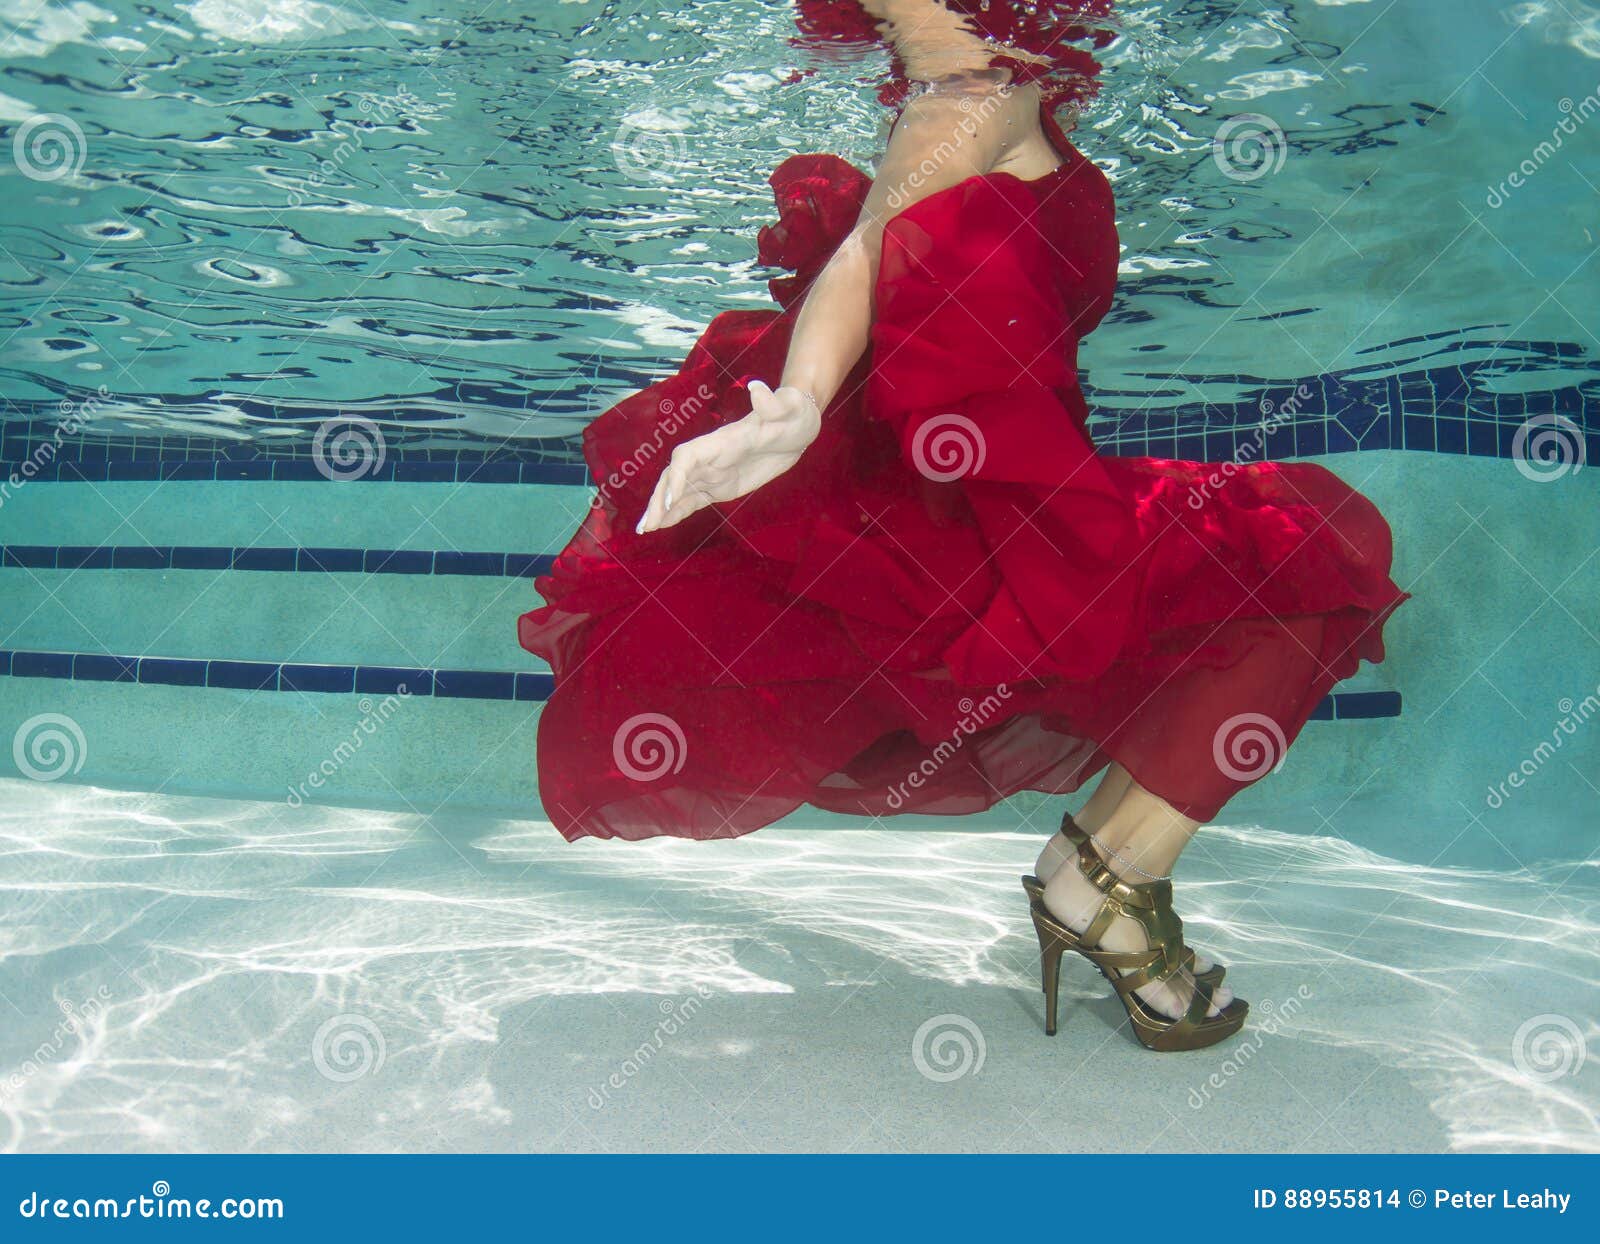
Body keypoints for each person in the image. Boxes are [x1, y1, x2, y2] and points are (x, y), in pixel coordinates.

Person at [520, 0, 1408, 1052]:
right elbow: (868, 247)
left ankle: (1101, 873)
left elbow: (879, 239)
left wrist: (806, 403)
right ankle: (1105, 879)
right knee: (1316, 539)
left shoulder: (986, 95)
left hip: (1013, 520)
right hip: (1005, 538)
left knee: (1296, 546)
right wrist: (799, 403)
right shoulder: (977, 96)